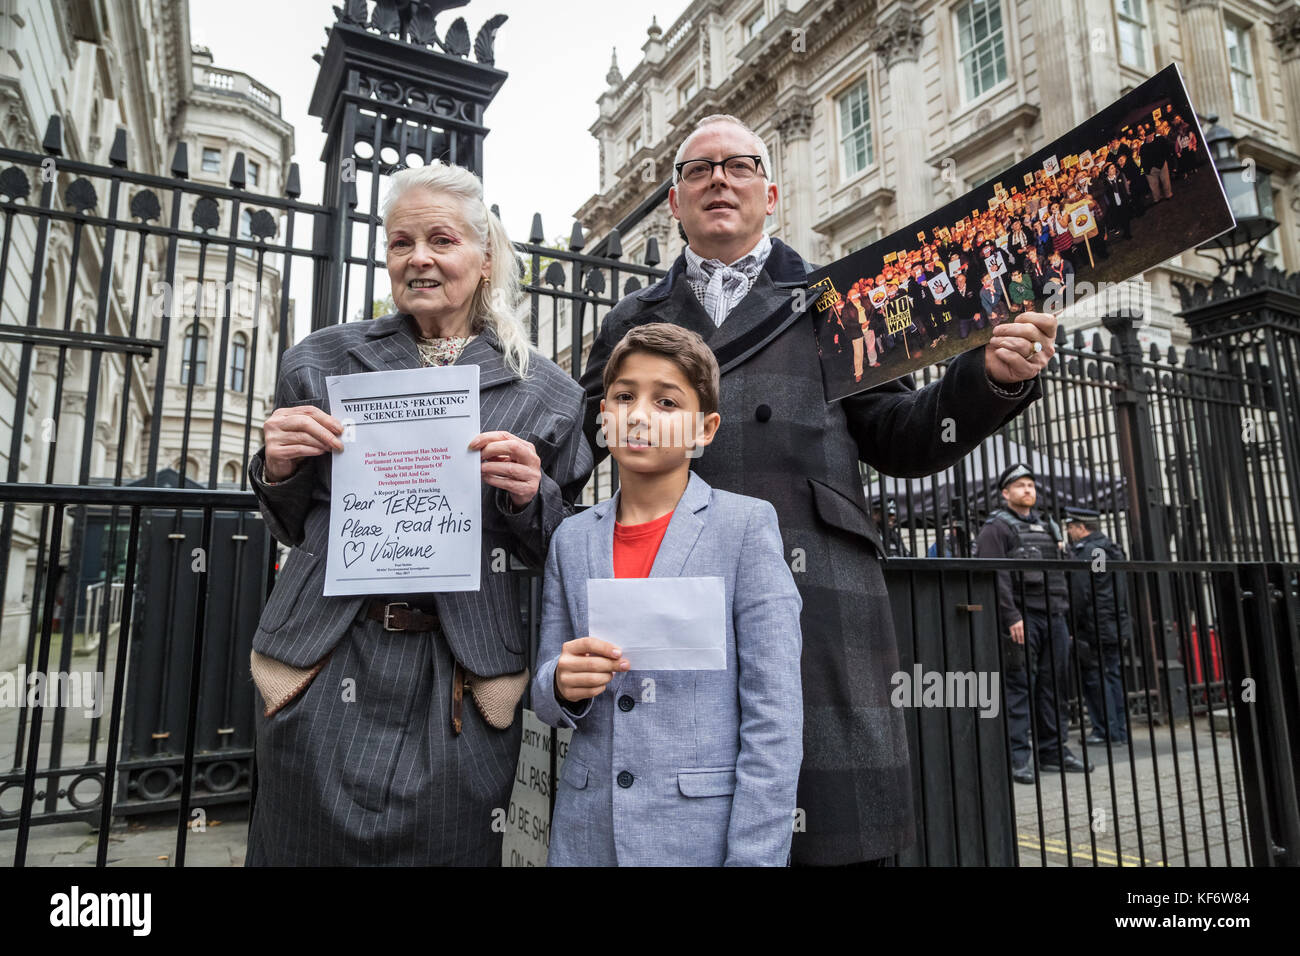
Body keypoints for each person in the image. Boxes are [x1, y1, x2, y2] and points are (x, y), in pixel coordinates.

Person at [576, 113, 1055, 866]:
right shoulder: (632, 321)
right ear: (674, 204)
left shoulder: (836, 303)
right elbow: (580, 441)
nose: (719, 180)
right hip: (668, 590)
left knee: (831, 832)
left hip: (816, 591)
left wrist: (988, 380)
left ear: (771, 193)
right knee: (676, 822)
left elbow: (902, 436)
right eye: (698, 170)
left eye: (738, 166)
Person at [244, 162, 593, 865]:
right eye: (401, 243)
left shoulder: (549, 394)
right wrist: (276, 466)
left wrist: (534, 496)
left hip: (463, 670)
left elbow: (560, 548)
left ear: (485, 257)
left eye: (441, 239)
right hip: (326, 655)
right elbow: (289, 522)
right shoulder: (321, 361)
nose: (419, 258)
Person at [534, 323, 803, 866]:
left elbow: (774, 715)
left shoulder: (745, 528)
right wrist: (562, 685)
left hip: (698, 837)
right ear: (604, 416)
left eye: (666, 401)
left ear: (704, 429)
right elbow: (545, 694)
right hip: (589, 837)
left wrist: (755, 858)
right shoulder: (572, 538)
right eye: (625, 397)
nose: (639, 414)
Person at [974, 465, 1092, 785]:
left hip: (1053, 616)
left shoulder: (1049, 527)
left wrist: (1063, 616)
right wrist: (1010, 615)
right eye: (1020, 486)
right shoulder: (996, 528)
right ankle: (1018, 757)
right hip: (1021, 618)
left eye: (1031, 485)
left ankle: (1054, 751)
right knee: (1019, 687)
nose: (1028, 490)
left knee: (1054, 685)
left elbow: (1060, 572)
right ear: (1005, 493)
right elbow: (994, 575)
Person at [1065, 507, 1132, 746]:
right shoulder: (1111, 549)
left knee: (1095, 678)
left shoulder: (1088, 552)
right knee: (1113, 676)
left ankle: (1104, 730)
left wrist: (1071, 625)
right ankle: (1119, 731)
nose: (1069, 532)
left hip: (1093, 627)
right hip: (1114, 623)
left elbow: (1081, 593)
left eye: (1071, 527)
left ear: (1081, 528)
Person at [1140, 128, 1174, 204]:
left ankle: (1168, 194)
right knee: (1153, 186)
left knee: (1166, 181)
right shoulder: (1143, 147)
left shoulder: (1160, 139)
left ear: (1153, 134)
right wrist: (1144, 170)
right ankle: (1157, 198)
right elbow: (1142, 160)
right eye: (1148, 135)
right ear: (1146, 137)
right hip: (1150, 169)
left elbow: (1166, 148)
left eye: (1151, 134)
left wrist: (1166, 157)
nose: (1150, 137)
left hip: (1161, 164)